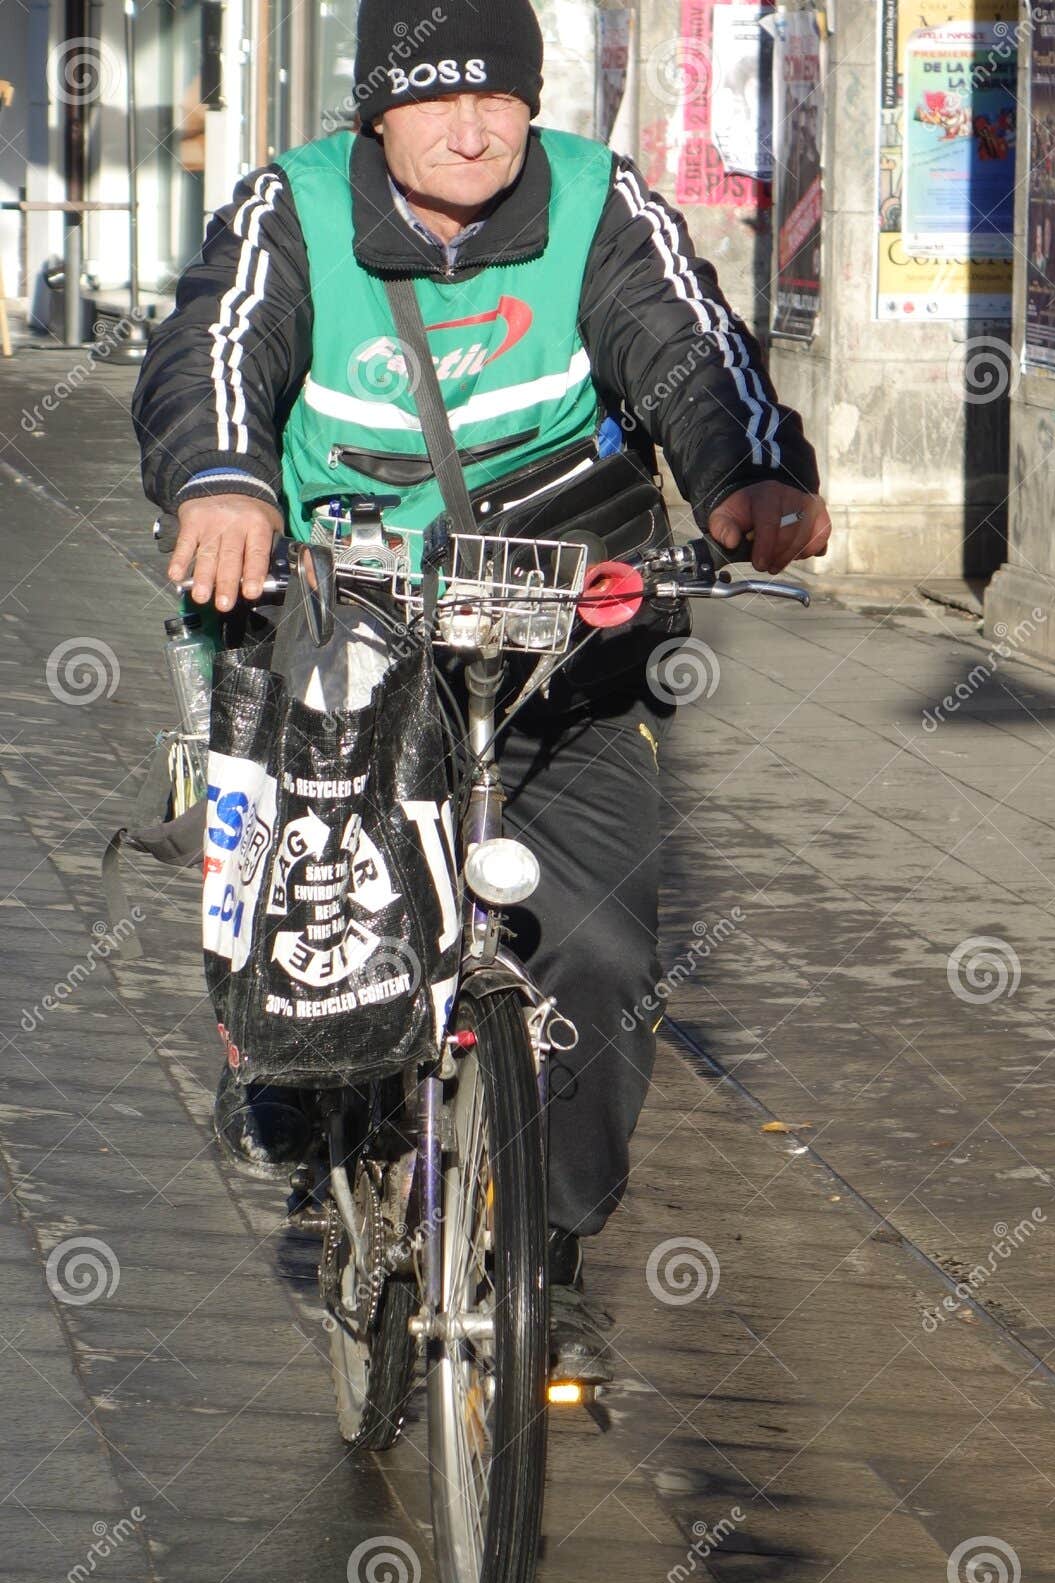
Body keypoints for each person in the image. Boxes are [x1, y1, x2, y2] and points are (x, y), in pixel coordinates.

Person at [132, 0, 830, 1384]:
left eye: (500, 98)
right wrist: (223, 481)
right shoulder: (294, 209)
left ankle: (545, 1248)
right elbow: (213, 354)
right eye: (437, 101)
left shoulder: (593, 201)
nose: (472, 127)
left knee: (607, 955)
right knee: (319, 922)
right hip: (351, 620)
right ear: (373, 114)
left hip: (563, 633)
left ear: (533, 99)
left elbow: (692, 351)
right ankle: (321, 1110)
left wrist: (751, 470)